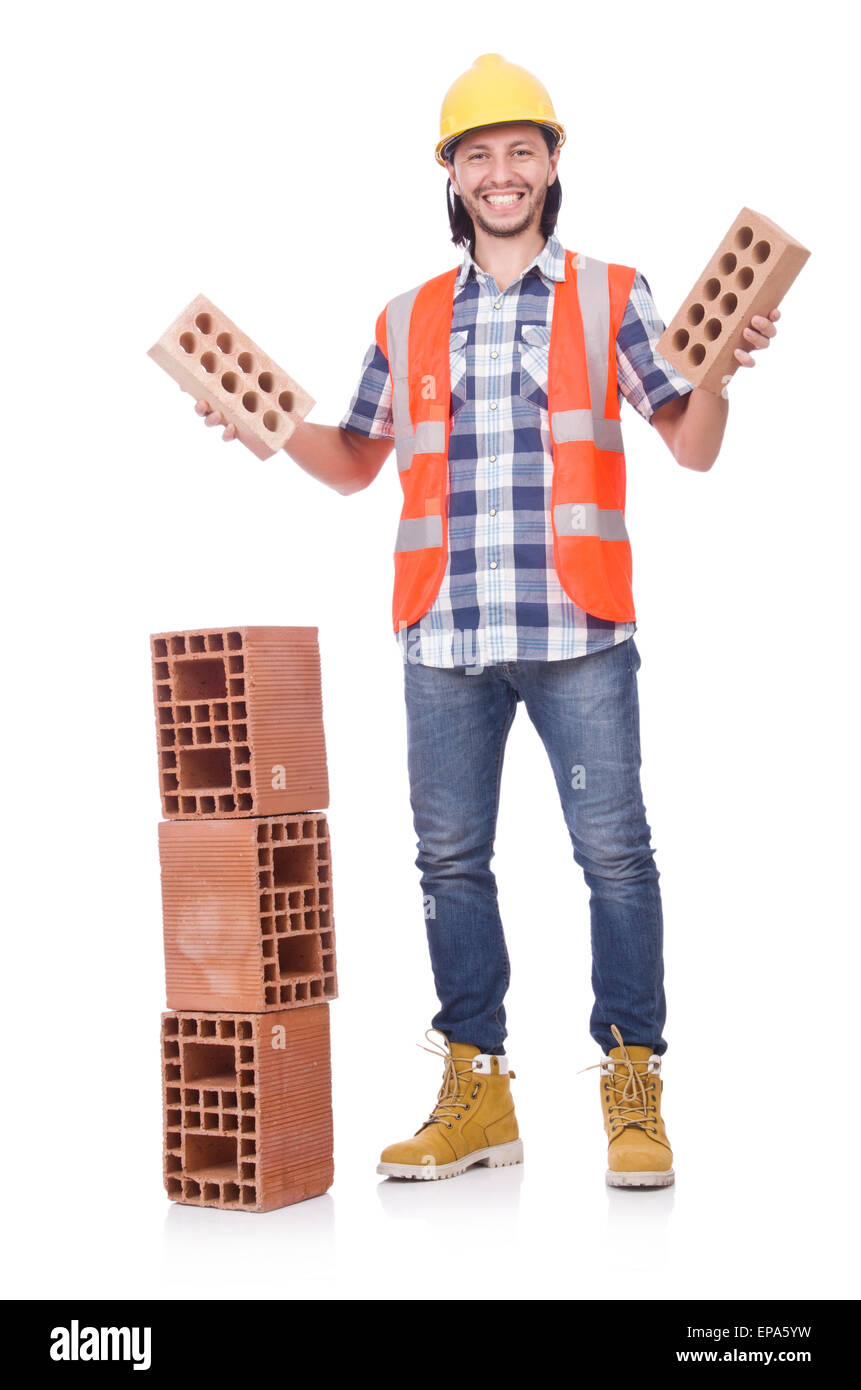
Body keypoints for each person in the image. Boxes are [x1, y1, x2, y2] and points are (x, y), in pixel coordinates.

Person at [196, 53, 780, 1188]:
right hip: (445, 637)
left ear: (554, 162)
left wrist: (720, 371)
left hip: (581, 633)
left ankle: (632, 1079)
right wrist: (261, 424)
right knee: (450, 861)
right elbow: (355, 463)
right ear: (452, 177)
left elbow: (693, 446)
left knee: (615, 857)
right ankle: (477, 1088)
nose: (501, 173)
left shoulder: (616, 293)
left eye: (522, 151)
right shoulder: (407, 312)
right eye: (478, 156)